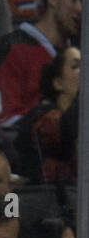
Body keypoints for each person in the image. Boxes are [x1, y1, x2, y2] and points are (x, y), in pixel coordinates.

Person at [15, 45, 79, 185]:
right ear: (58, 83)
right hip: (51, 200)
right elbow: (66, 129)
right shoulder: (40, 117)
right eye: (76, 66)